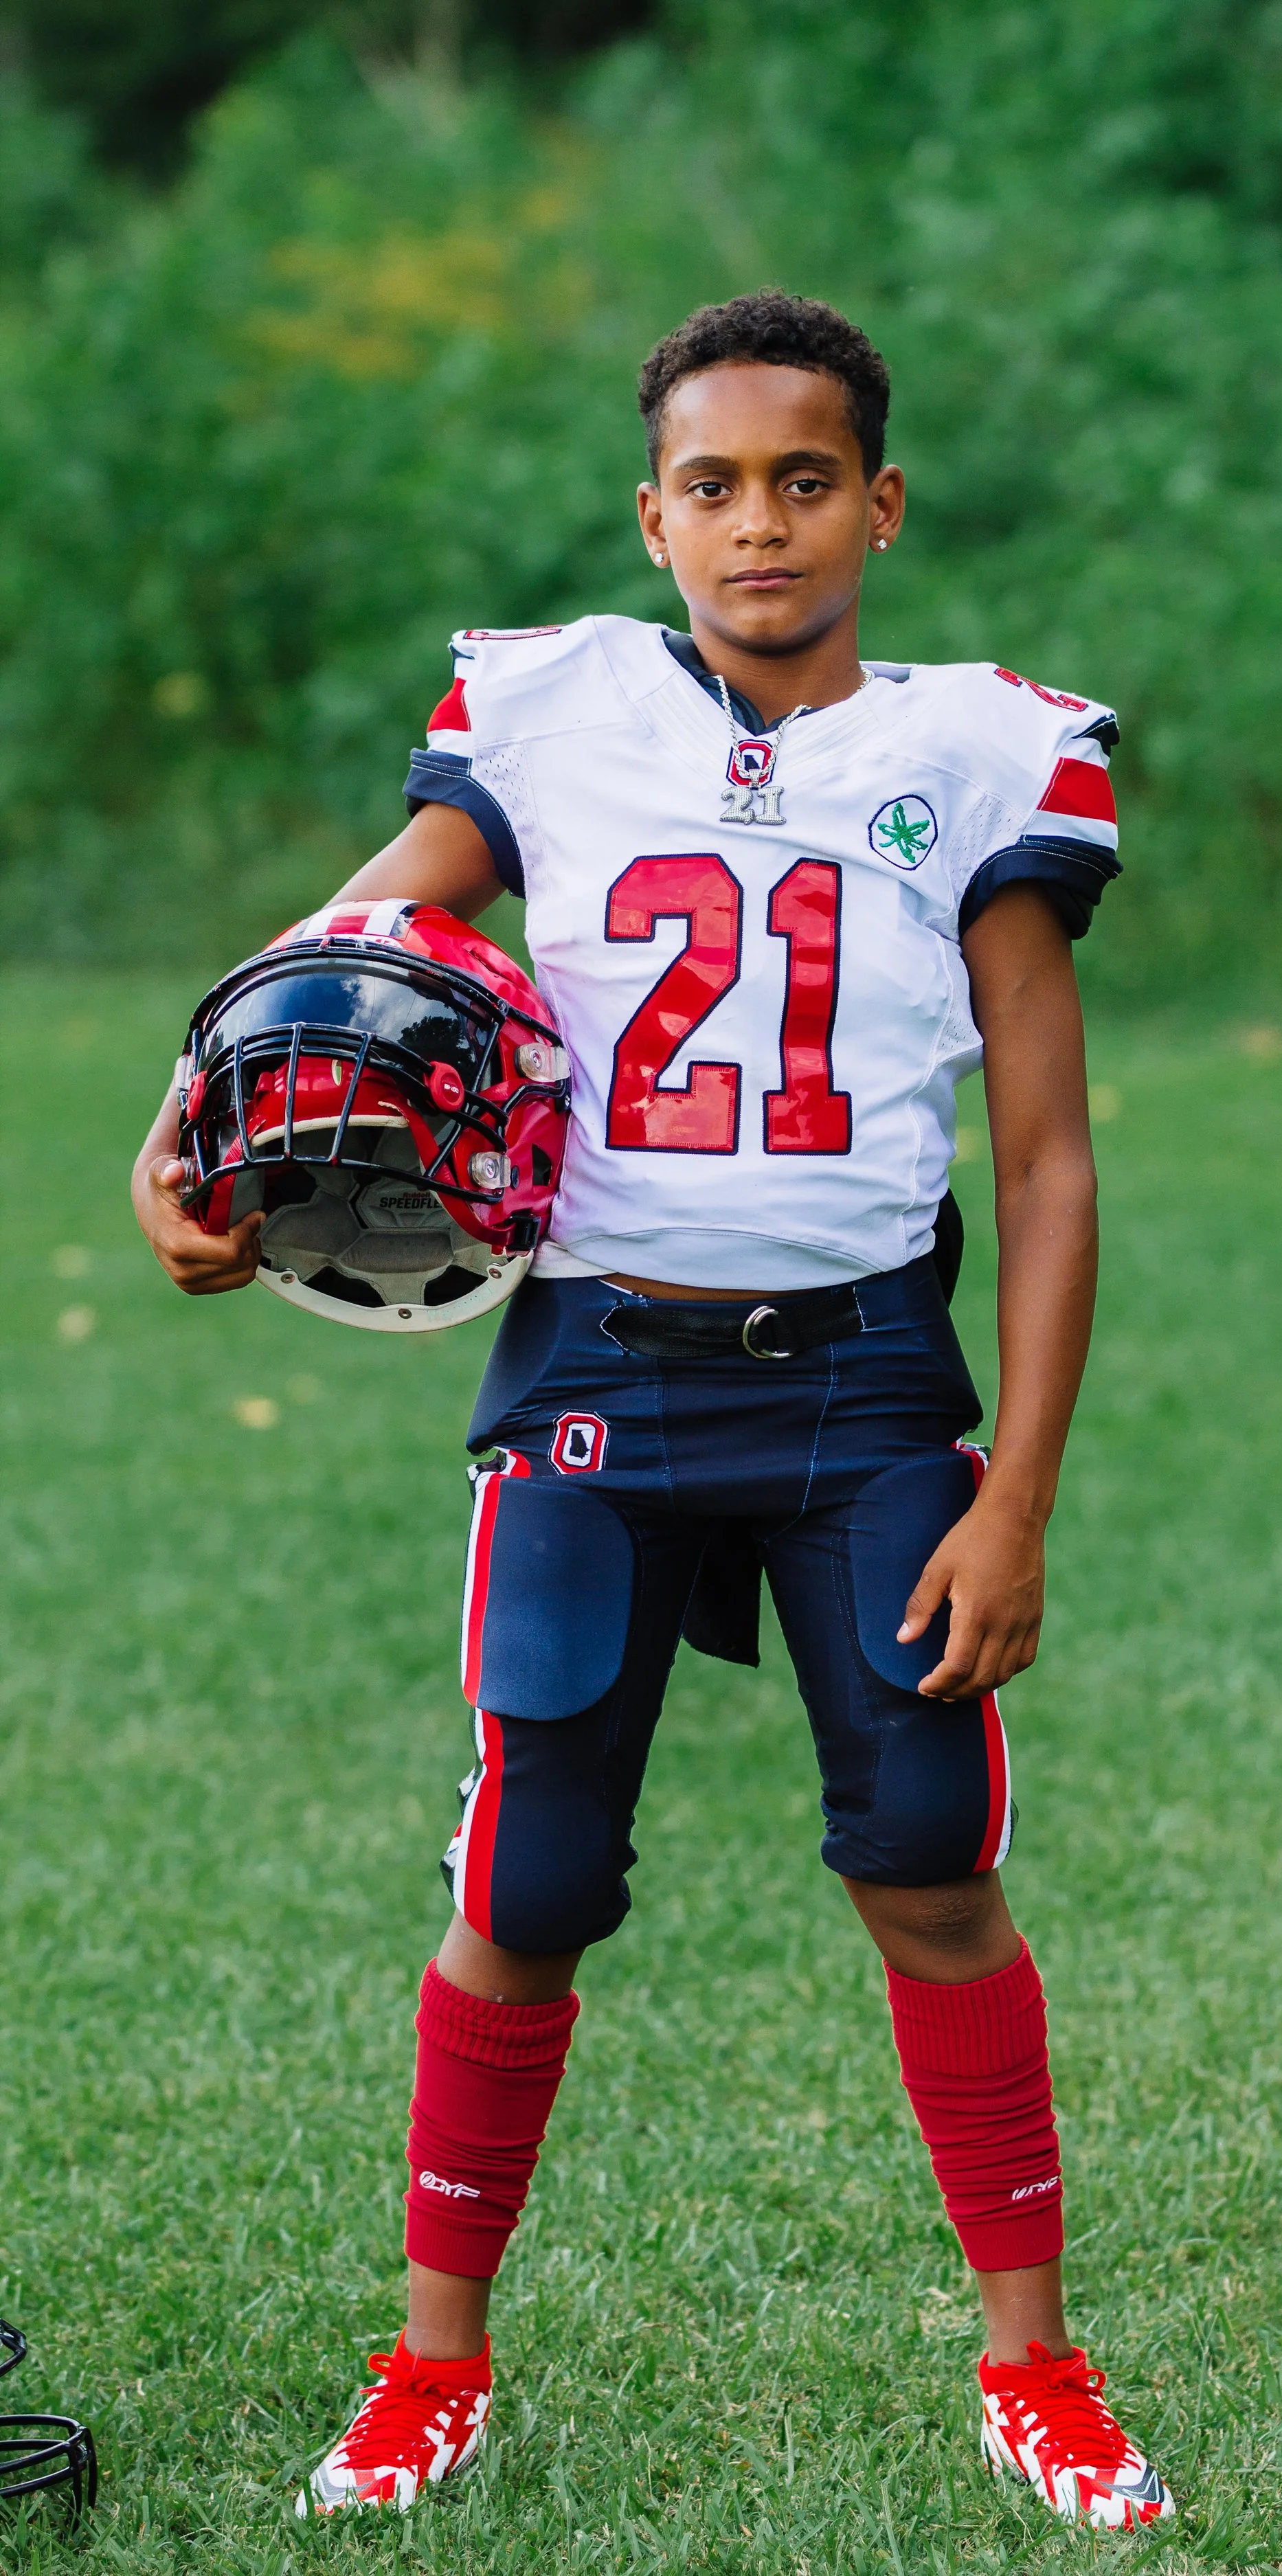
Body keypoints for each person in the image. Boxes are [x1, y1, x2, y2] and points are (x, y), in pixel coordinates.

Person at [131, 291, 1173, 2535]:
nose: (758, 521)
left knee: (930, 1865)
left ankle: (1037, 2365)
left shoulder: (981, 751)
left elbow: (1047, 1159)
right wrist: (180, 1124)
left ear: (879, 506)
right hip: (598, 1367)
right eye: (713, 484)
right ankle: (431, 2364)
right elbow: (340, 954)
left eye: (804, 480)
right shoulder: (557, 714)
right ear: (651, 516)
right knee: (526, 1877)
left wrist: (1017, 1495)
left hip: (869, 1384)